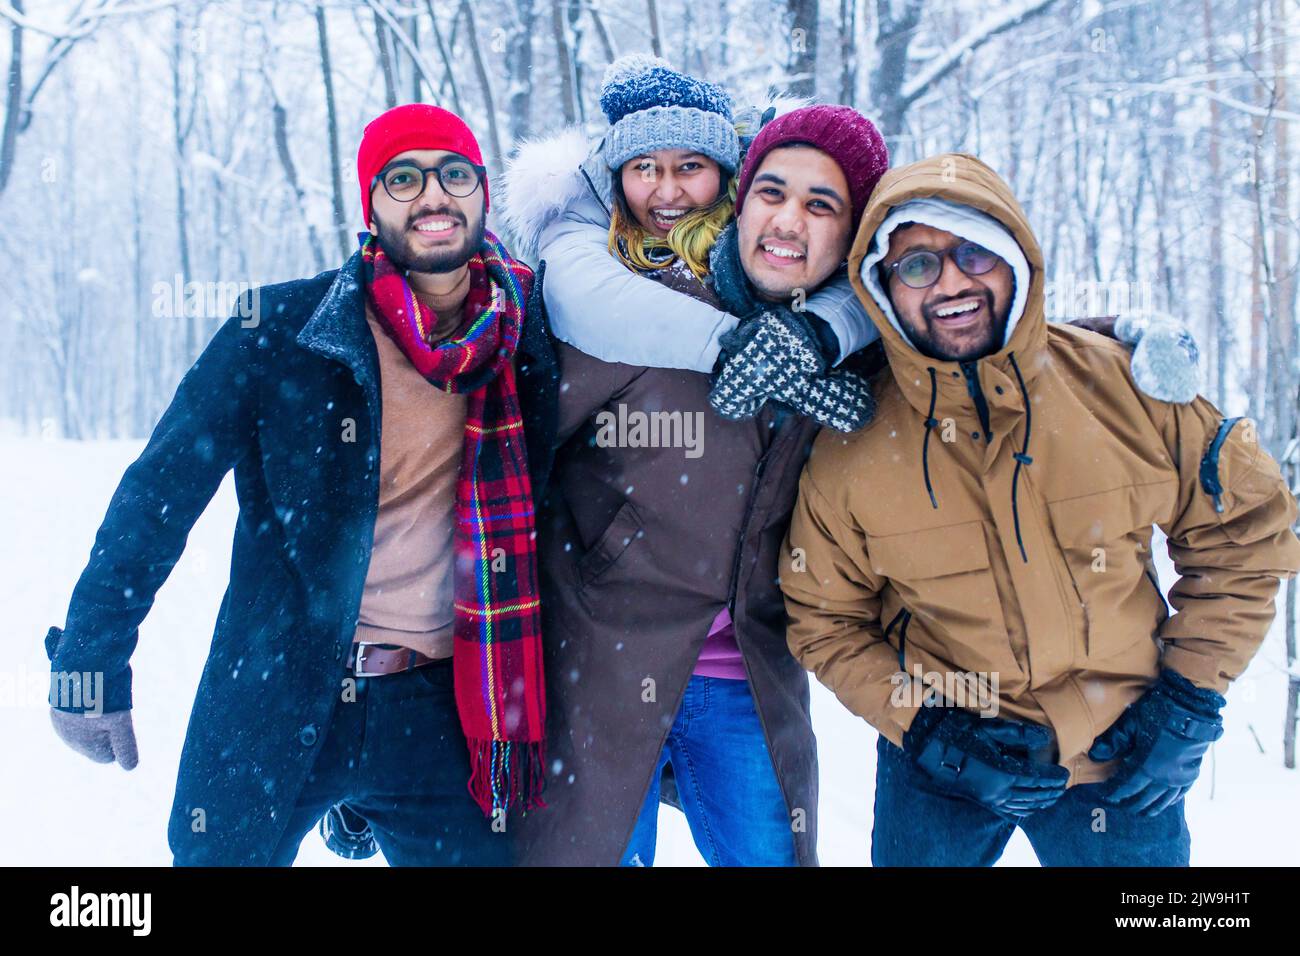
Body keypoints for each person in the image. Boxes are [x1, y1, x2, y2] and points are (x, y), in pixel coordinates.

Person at [43, 104, 555, 866]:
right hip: (277, 692)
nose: (433, 196)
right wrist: (91, 653)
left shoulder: (528, 335)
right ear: (370, 204)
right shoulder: (279, 329)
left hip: (444, 709)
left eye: (454, 174)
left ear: (483, 192)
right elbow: (158, 496)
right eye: (403, 178)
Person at [780, 151, 1300, 866]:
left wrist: (1187, 703)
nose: (952, 282)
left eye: (973, 253)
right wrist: (927, 730)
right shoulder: (851, 445)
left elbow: (1242, 536)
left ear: (1016, 258)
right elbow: (823, 618)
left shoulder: (1126, 386)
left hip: (1126, 751)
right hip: (945, 761)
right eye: (918, 266)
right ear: (883, 289)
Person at [502, 57, 892, 866]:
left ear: (730, 174)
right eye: (643, 168)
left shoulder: (777, 277)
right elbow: (529, 443)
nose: (667, 189)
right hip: (607, 653)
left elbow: (890, 284)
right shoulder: (588, 286)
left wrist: (818, 341)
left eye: (690, 166)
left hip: (745, 659)